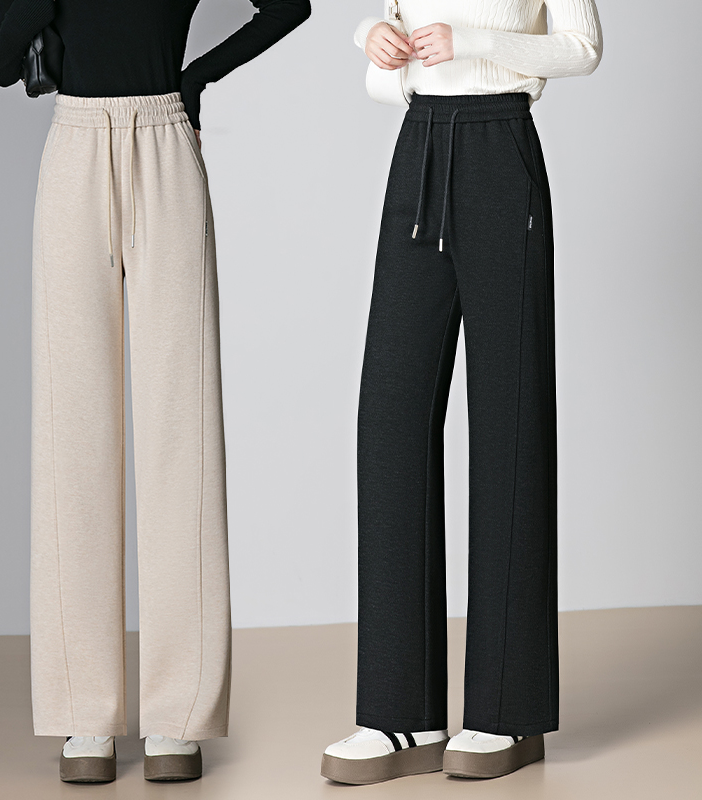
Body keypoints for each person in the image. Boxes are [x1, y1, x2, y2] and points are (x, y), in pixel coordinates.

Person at [0, 0, 310, 784]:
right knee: (72, 433)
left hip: (166, 142)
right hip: (73, 147)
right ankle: (83, 718)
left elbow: (290, 5)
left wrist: (198, 78)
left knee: (180, 431)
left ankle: (178, 716)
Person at [321, 0, 601, 785]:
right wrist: (373, 41)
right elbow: (393, 64)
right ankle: (399, 711)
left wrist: (471, 40)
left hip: (500, 147)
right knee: (391, 420)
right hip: (419, 147)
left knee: (510, 420)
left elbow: (583, 48)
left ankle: (507, 711)